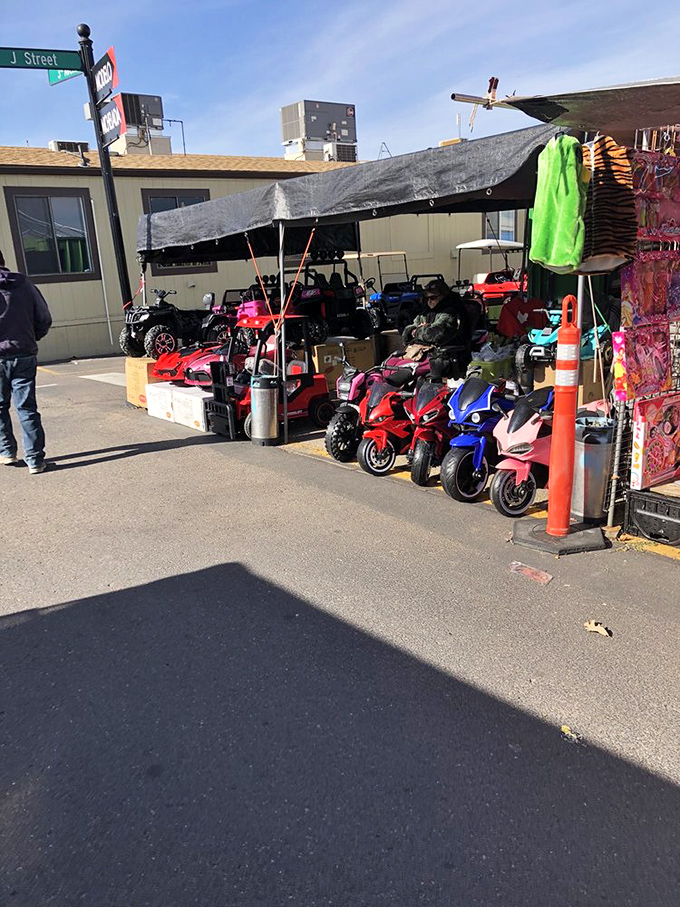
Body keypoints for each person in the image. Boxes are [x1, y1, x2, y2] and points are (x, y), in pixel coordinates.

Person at [0, 250, 52, 474]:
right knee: (27, 407)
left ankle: (6, 453)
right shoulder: (23, 283)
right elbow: (43, 317)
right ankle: (35, 460)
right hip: (24, 352)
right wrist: (32, 336)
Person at [401, 279, 473, 378]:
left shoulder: (451, 311)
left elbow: (436, 334)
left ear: (444, 296)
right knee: (392, 366)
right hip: (422, 352)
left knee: (403, 374)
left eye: (433, 297)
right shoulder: (427, 311)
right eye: (426, 298)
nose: (429, 301)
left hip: (443, 356)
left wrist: (418, 331)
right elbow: (411, 328)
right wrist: (418, 330)